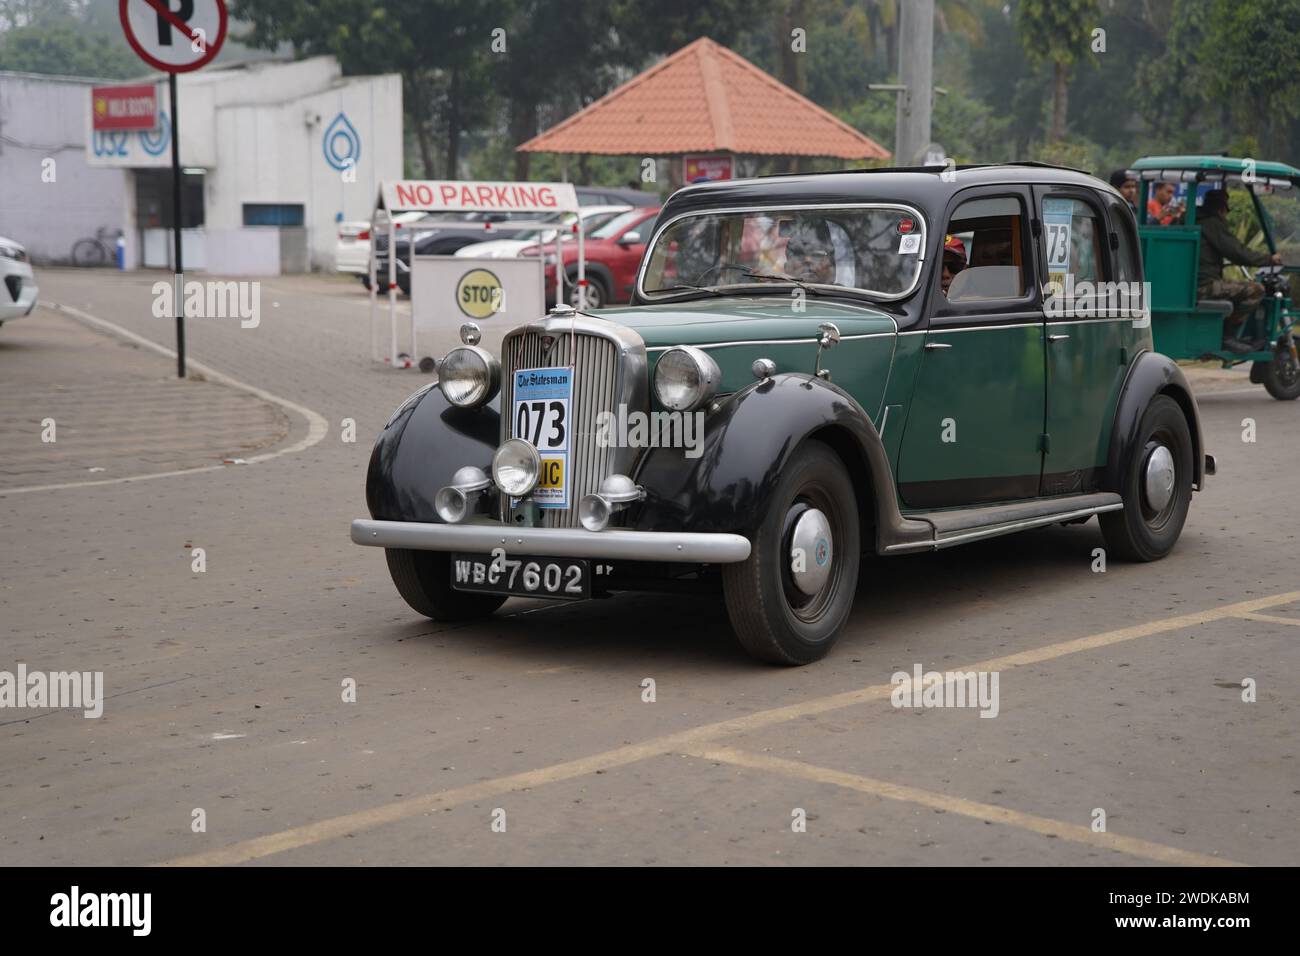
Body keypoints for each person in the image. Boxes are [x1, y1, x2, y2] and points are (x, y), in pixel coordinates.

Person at [1198, 188, 1282, 353]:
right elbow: (1236, 252)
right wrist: (1269, 259)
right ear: (1221, 208)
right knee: (1256, 290)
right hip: (1203, 285)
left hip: (1192, 282)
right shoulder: (1212, 223)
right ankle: (1227, 336)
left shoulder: (1194, 219)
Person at [783, 219, 839, 285]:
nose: (807, 260)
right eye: (798, 255)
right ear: (786, 267)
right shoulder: (771, 291)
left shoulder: (845, 294)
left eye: (817, 254)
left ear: (833, 267)